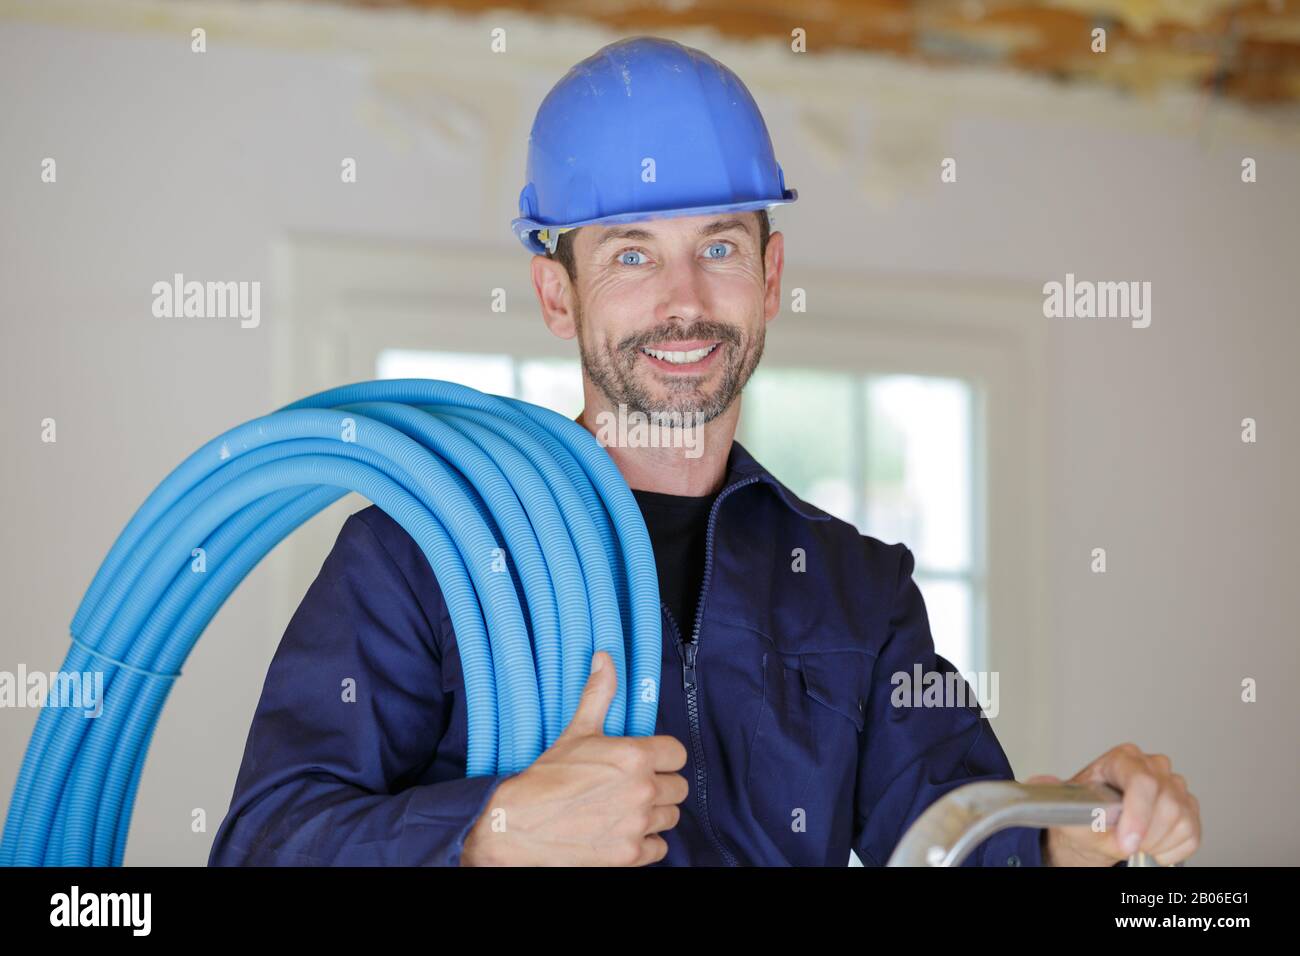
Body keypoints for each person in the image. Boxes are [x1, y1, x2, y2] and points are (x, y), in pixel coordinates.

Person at [209, 36, 1200, 867]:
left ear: (770, 276)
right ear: (558, 294)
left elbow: (961, 831)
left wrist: (1086, 819)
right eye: (631, 252)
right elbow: (262, 843)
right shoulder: (421, 555)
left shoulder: (856, 589)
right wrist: (495, 829)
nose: (683, 299)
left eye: (719, 246)